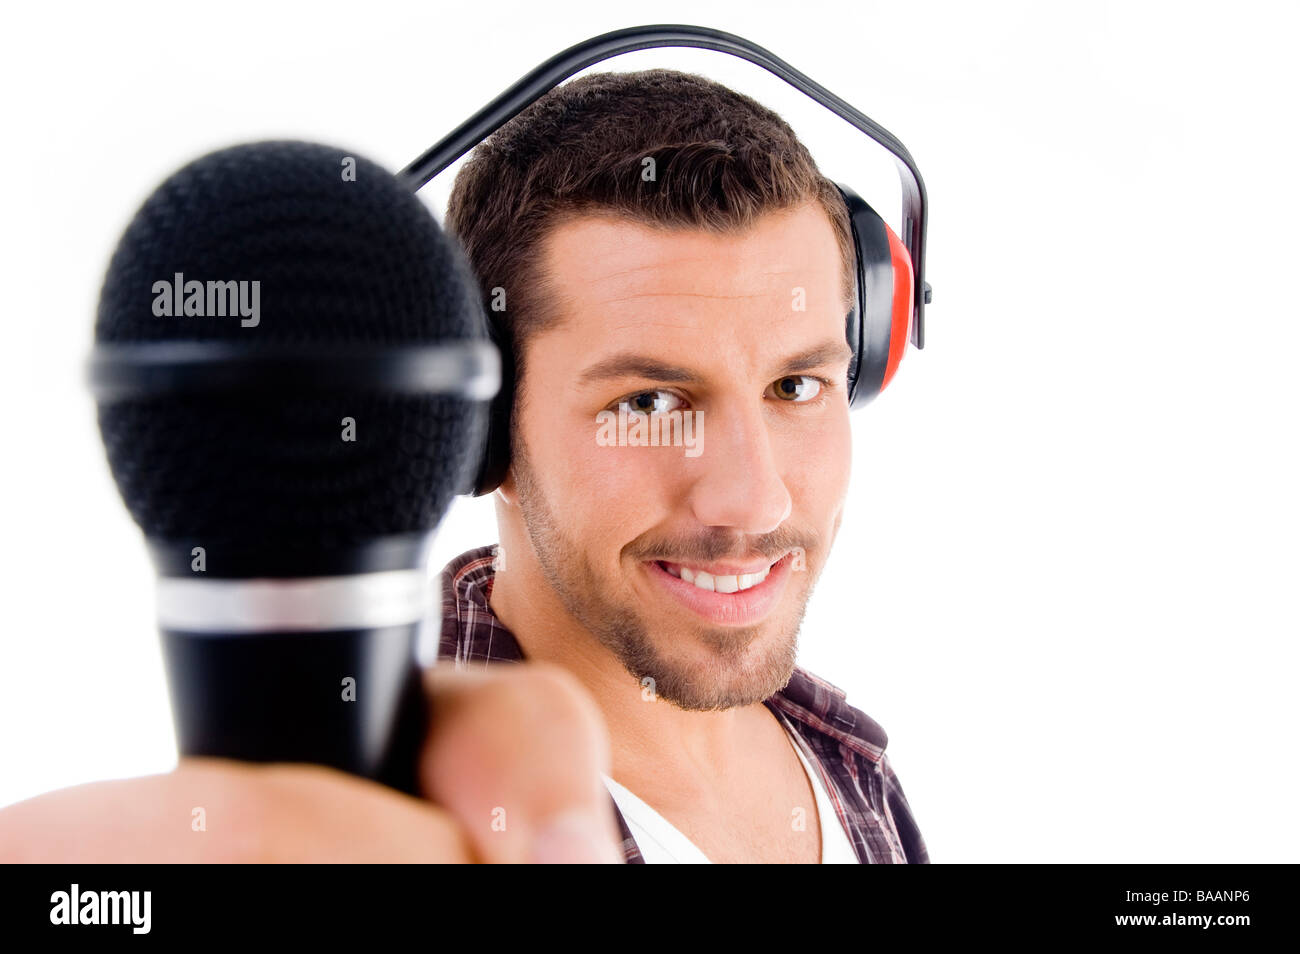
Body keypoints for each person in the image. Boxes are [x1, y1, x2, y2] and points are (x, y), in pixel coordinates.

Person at [437, 68, 928, 863]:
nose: (753, 500)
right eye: (651, 404)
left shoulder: (847, 764)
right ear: (476, 424)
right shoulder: (393, 821)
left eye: (795, 386)